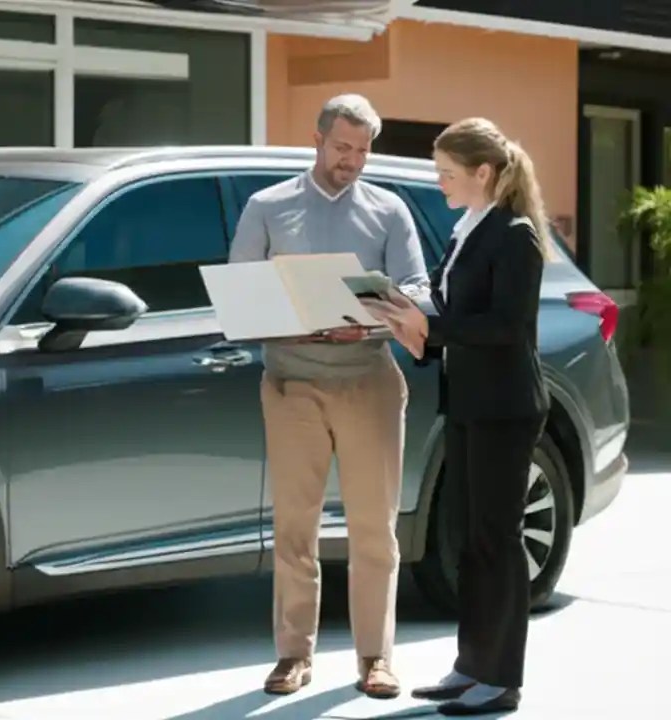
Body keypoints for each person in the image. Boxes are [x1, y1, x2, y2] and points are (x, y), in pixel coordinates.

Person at [229, 94, 428, 699]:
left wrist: (371, 317)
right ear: (317, 139)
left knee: (374, 527)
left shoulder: (389, 210)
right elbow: (239, 293)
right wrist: (297, 321)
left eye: (363, 150)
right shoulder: (268, 207)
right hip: (292, 386)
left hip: (368, 378)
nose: (353, 160)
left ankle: (376, 657)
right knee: (295, 526)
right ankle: (293, 655)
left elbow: (419, 288)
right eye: (343, 147)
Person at [363, 117, 551, 716]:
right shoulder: (467, 230)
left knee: (497, 542)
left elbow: (507, 327)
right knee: (470, 543)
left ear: (483, 173)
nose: (439, 182)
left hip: (505, 409)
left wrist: (434, 327)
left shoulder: (514, 234)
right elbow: (452, 311)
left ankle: (501, 680)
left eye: (447, 173)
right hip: (469, 402)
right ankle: (471, 667)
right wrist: (408, 320)